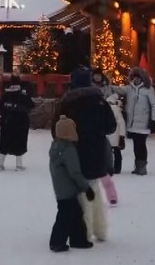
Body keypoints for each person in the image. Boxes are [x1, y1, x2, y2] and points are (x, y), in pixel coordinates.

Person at [52, 67, 115, 242]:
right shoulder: (99, 102)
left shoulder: (66, 104)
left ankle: (84, 231)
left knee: (81, 193)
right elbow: (111, 127)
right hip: (97, 152)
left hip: (75, 152)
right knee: (94, 189)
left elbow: (55, 130)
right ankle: (100, 229)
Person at [48, 116, 94, 252]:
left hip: (61, 188)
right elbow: (75, 172)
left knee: (75, 213)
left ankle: (78, 240)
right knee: (65, 216)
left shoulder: (56, 147)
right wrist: (87, 188)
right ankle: (57, 242)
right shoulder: (68, 149)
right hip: (67, 189)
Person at [124, 67, 155, 176]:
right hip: (132, 122)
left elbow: (154, 105)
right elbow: (119, 89)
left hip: (143, 122)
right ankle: (138, 165)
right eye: (134, 77)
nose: (136, 80)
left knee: (141, 144)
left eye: (138, 78)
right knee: (136, 145)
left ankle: (142, 166)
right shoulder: (130, 89)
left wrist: (153, 120)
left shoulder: (148, 89)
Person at [0, 75, 34, 171]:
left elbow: (0, 107)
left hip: (6, 122)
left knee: (4, 142)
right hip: (20, 122)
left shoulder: (5, 94)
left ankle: (0, 164)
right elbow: (31, 105)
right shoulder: (22, 95)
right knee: (19, 142)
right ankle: (18, 165)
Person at [101, 92, 126, 205]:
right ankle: (116, 168)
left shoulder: (108, 108)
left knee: (109, 153)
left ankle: (111, 168)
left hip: (109, 134)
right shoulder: (116, 108)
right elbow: (121, 123)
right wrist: (122, 136)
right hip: (114, 134)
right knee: (116, 152)